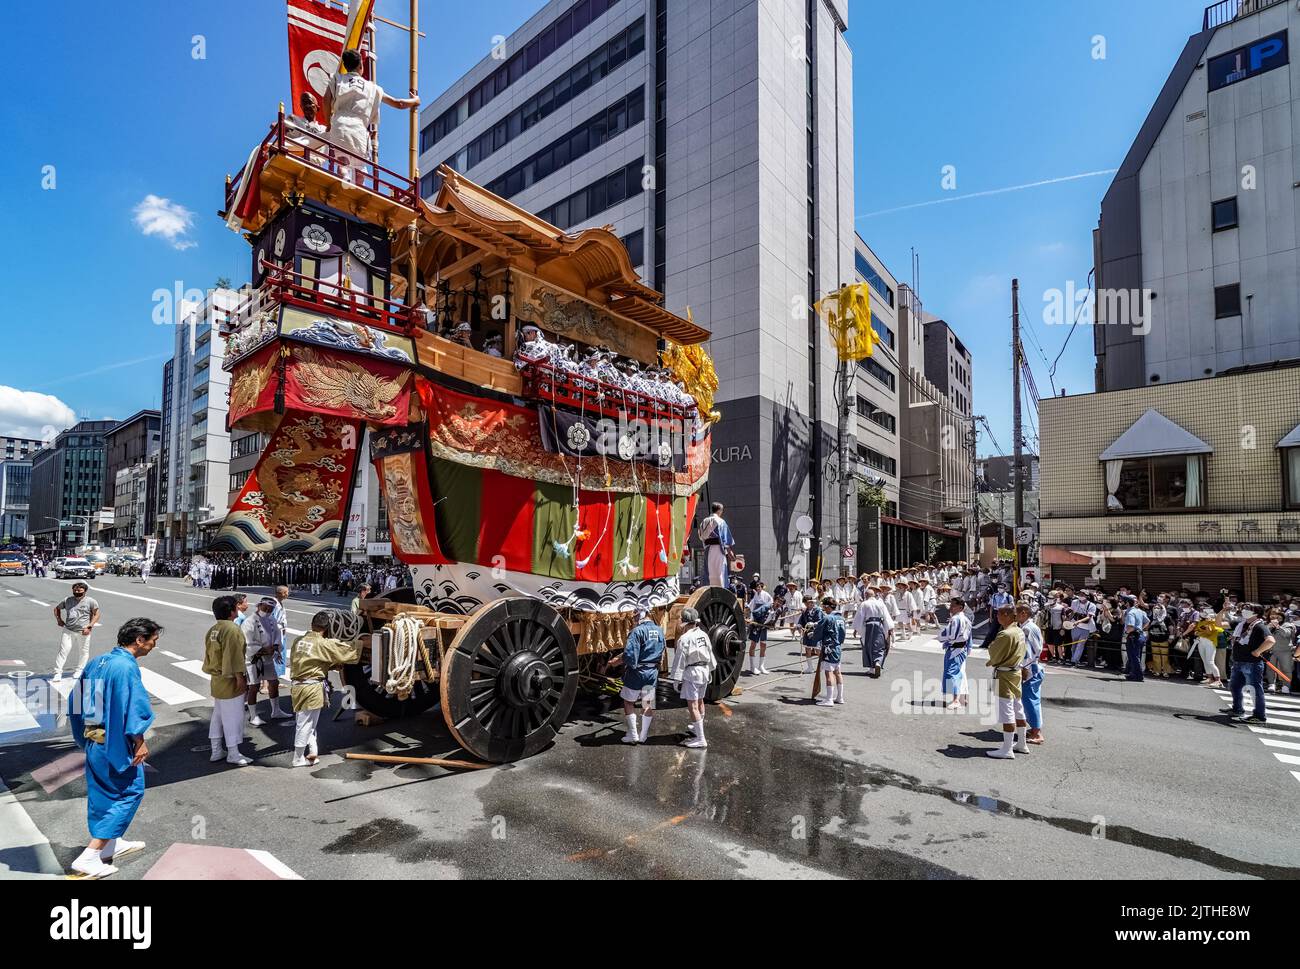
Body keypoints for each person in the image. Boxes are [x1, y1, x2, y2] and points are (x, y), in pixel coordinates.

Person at [65, 617, 161, 879]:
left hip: (94, 741)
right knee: (128, 793)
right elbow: (134, 709)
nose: (154, 645)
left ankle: (111, 843)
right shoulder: (125, 667)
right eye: (153, 640)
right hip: (116, 744)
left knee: (101, 795)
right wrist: (139, 743)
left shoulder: (99, 661)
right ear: (139, 640)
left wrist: (81, 736)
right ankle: (91, 854)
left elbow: (75, 701)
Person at [321, 48, 420, 182]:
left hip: (340, 123)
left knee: (342, 160)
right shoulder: (373, 88)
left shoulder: (338, 78)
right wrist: (415, 100)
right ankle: (358, 189)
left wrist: (328, 123)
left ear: (345, 66)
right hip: (360, 129)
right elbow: (398, 103)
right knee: (360, 167)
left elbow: (326, 99)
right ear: (361, 66)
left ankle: (344, 175)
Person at [289, 611, 362, 767]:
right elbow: (346, 650)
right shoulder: (323, 643)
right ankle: (297, 758)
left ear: (312, 625)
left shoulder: (298, 641)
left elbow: (312, 660)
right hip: (311, 688)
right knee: (306, 723)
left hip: (297, 686)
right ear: (327, 629)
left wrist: (330, 665)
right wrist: (364, 642)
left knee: (307, 722)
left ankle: (313, 751)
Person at [203, 596, 252, 766]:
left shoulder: (214, 629)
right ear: (233, 611)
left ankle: (216, 749)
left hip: (216, 678)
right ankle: (233, 752)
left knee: (218, 715)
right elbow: (234, 656)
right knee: (233, 717)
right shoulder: (232, 629)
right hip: (230, 679)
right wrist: (241, 679)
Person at [668, 608, 716, 748]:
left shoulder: (685, 638)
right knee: (700, 702)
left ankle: (701, 739)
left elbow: (680, 659)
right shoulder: (703, 634)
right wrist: (710, 671)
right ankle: (697, 728)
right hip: (704, 671)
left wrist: (676, 679)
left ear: (684, 621)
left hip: (693, 673)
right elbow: (710, 653)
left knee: (693, 705)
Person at [986, 604, 1028, 760]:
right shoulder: (1019, 631)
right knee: (1018, 707)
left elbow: (994, 651)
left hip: (1005, 673)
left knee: (1007, 711)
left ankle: (1007, 748)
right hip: (1016, 671)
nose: (997, 617)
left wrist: (991, 647)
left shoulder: (1006, 634)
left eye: (999, 614)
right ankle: (1021, 743)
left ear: (1007, 615)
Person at [620, 609, 666, 744]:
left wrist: (628, 666)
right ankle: (643, 735)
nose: (633, 620)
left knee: (629, 702)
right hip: (652, 673)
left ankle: (633, 735)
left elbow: (629, 655)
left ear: (640, 616)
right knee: (647, 704)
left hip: (637, 673)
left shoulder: (637, 631)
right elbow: (662, 652)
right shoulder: (659, 630)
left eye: (634, 617)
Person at [244, 597, 291, 725]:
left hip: (269, 657)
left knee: (274, 682)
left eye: (270, 609)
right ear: (259, 606)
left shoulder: (271, 619)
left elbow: (277, 635)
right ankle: (253, 716)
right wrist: (263, 650)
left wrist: (275, 646)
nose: (267, 611)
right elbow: (247, 643)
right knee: (254, 686)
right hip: (254, 658)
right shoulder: (250, 621)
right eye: (265, 608)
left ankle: (276, 710)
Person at [1224, 604, 1273, 724]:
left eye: (1248, 609)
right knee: (1235, 687)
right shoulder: (1241, 624)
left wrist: (1258, 651)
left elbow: (1270, 640)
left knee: (1254, 689)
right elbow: (1219, 623)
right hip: (1238, 661)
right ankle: (1237, 709)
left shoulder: (1259, 626)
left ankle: (1259, 716)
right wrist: (1223, 610)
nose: (1244, 611)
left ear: (1256, 613)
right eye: (1244, 608)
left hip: (1252, 663)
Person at [52, 582, 100, 683]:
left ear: (85, 591)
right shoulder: (67, 600)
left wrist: (90, 626)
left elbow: (96, 614)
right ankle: (57, 673)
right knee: (63, 651)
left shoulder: (91, 601)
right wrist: (59, 620)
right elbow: (57, 609)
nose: (77, 592)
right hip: (69, 630)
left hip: (83, 631)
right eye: (75, 591)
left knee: (83, 651)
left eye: (79, 591)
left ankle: (79, 670)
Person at [1017, 602, 1046, 745]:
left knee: (1030, 701)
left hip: (1030, 668)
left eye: (1017, 612)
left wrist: (1024, 668)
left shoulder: (1027, 628)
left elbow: (1030, 652)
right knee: (1030, 700)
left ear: (1024, 614)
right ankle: (1034, 729)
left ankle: (1036, 732)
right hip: (1033, 666)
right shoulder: (1029, 627)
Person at [938, 596, 973, 710]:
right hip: (960, 649)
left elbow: (951, 635)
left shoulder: (956, 619)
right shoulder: (966, 619)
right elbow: (968, 638)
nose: (951, 608)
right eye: (951, 605)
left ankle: (956, 699)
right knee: (958, 672)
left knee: (952, 673)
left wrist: (942, 638)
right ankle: (961, 698)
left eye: (953, 605)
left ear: (960, 607)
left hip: (955, 649)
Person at [813, 596, 846, 707]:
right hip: (837, 647)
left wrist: (812, 638)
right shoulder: (841, 618)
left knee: (829, 672)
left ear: (827, 607)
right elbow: (842, 635)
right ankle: (840, 697)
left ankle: (829, 699)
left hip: (829, 647)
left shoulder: (827, 618)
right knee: (838, 671)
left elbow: (818, 632)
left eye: (824, 606)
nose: (823, 609)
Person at [855, 584, 893, 678]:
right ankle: (877, 663)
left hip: (868, 626)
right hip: (879, 625)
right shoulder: (880, 603)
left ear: (866, 595)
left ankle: (871, 668)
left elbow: (859, 618)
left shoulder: (864, 604)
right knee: (879, 646)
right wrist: (890, 628)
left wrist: (856, 629)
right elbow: (886, 617)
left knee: (868, 646)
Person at [697, 502, 735, 588]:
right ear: (720, 510)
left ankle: (707, 590)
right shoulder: (721, 521)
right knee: (720, 572)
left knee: (708, 572)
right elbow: (726, 540)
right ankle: (721, 591)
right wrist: (730, 554)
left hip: (708, 549)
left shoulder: (703, 521)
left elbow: (701, 536)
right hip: (719, 550)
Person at [746, 581, 773, 675]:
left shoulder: (766, 595)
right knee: (753, 644)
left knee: (763, 644)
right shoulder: (754, 596)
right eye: (757, 587)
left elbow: (771, 604)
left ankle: (761, 666)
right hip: (755, 622)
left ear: (762, 587)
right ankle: (752, 667)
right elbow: (750, 608)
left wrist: (769, 618)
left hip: (764, 622)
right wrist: (749, 618)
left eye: (760, 586)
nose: (758, 588)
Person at [1121, 595, 1150, 682]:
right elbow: (1147, 621)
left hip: (1133, 636)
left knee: (1133, 656)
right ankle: (1133, 673)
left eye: (1123, 601)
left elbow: (1131, 627)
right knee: (1135, 656)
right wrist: (1140, 628)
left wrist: (1127, 633)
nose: (1122, 603)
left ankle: (1138, 676)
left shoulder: (1130, 613)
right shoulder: (1139, 611)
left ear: (1127, 603)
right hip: (1139, 635)